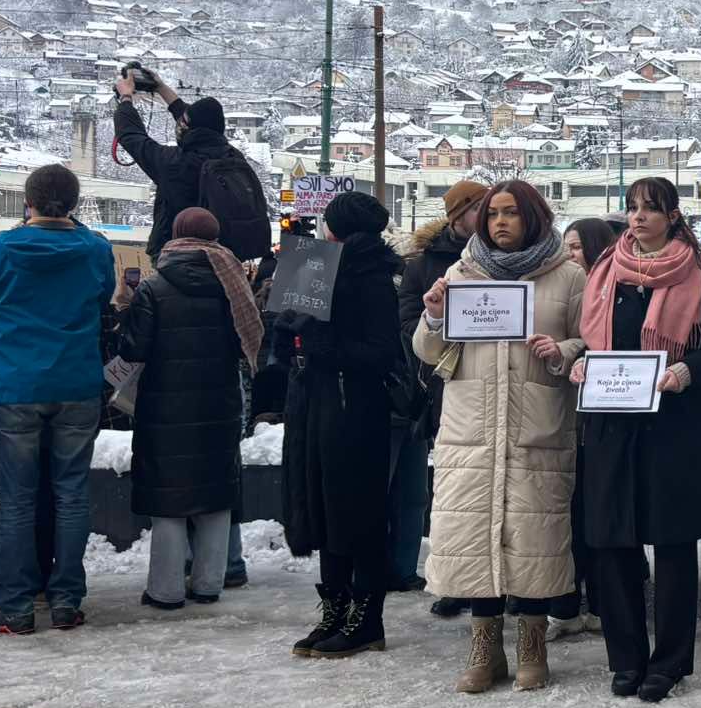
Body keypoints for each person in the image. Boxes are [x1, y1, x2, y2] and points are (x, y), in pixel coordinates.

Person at [416, 179, 586, 694]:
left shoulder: (569, 276)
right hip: (471, 429)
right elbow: (428, 350)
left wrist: (563, 350)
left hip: (537, 426)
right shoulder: (461, 273)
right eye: (493, 215)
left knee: (533, 541)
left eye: (511, 213)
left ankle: (532, 647)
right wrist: (434, 314)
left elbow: (592, 341)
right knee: (473, 540)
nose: (500, 223)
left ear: (533, 216)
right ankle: (484, 651)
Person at [572, 178, 701, 702]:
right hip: (611, 422)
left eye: (650, 209)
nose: (638, 218)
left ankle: (669, 662)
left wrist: (685, 372)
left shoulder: (698, 274)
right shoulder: (604, 270)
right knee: (613, 541)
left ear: (671, 215)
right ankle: (627, 659)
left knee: (673, 544)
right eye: (632, 208)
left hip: (670, 426)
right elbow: (590, 339)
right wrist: (579, 365)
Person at [0, 165, 116, 634]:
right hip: (76, 384)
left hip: (14, 387)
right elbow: (101, 298)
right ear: (73, 204)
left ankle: (15, 608)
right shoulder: (96, 249)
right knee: (71, 494)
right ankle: (66, 602)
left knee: (15, 499)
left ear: (27, 203)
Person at [278, 190, 408, 659]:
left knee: (357, 511)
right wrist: (288, 328)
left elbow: (381, 352)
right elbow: (291, 345)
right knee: (321, 505)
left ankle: (366, 616)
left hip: (355, 409)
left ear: (338, 229)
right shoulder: (315, 268)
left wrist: (319, 344)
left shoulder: (370, 278)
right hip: (316, 403)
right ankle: (335, 607)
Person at [119, 208, 261, 612]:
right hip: (219, 403)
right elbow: (247, 342)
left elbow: (133, 349)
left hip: (166, 407)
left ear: (175, 237)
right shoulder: (233, 285)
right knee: (216, 494)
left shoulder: (154, 286)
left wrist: (126, 309)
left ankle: (165, 590)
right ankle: (208, 584)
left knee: (169, 497)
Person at [399, 179, 489, 608]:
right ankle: (455, 582)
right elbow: (408, 326)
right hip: (446, 386)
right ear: (458, 216)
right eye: (481, 210)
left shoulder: (509, 258)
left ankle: (496, 581)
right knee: (454, 491)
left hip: (497, 383)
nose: (491, 218)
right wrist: (443, 327)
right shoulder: (422, 266)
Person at [112, 72, 268, 262]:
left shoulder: (175, 163)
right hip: (224, 257)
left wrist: (126, 97)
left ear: (186, 127)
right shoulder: (233, 156)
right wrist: (161, 88)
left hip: (177, 258)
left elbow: (132, 136)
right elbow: (199, 122)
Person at [552, 214, 620, 640]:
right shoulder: (562, 286)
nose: (571, 255)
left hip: (600, 417)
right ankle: (564, 604)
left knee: (597, 514)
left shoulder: (613, 288)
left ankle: (600, 601)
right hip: (564, 413)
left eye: (577, 247)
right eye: (567, 247)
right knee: (566, 518)